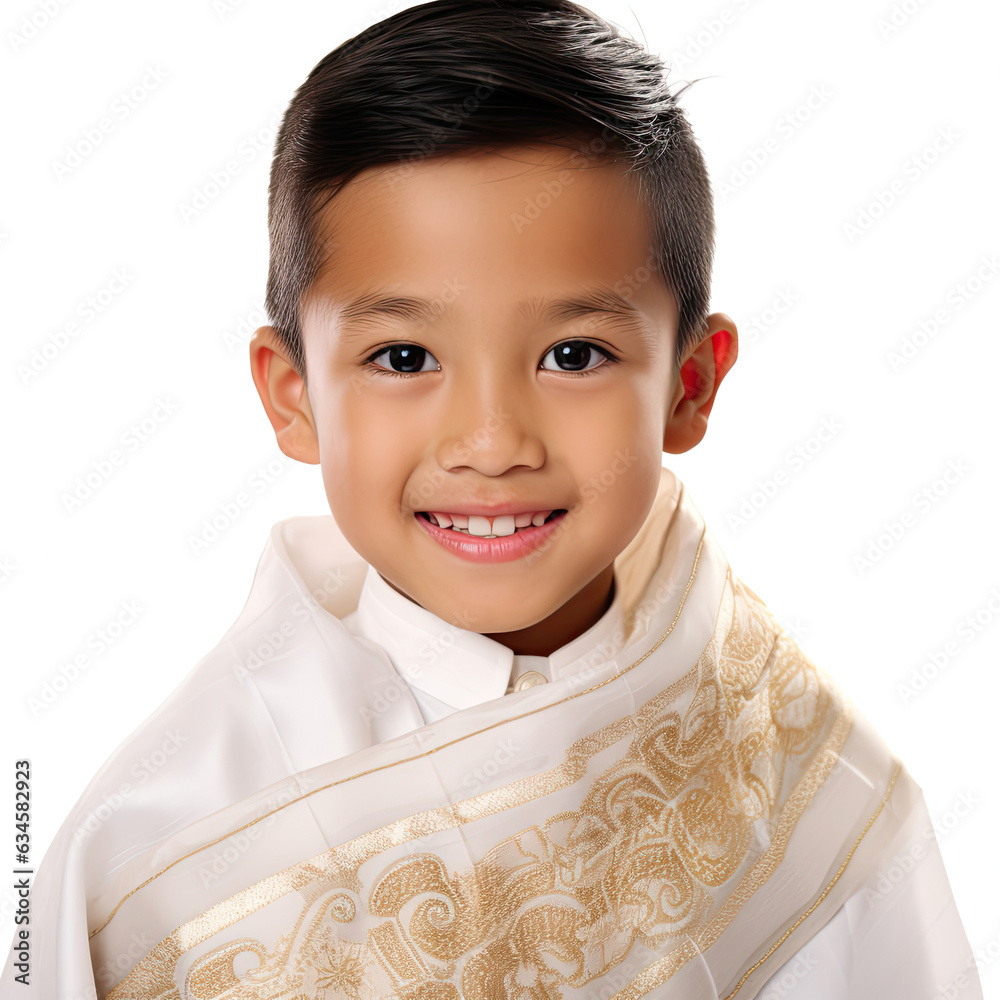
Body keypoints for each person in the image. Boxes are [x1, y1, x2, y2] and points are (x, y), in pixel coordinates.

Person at [3, 1, 982, 997]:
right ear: (292, 397)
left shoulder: (800, 764)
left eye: (573, 354)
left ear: (688, 385)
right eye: (403, 357)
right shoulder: (158, 850)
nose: (490, 443)